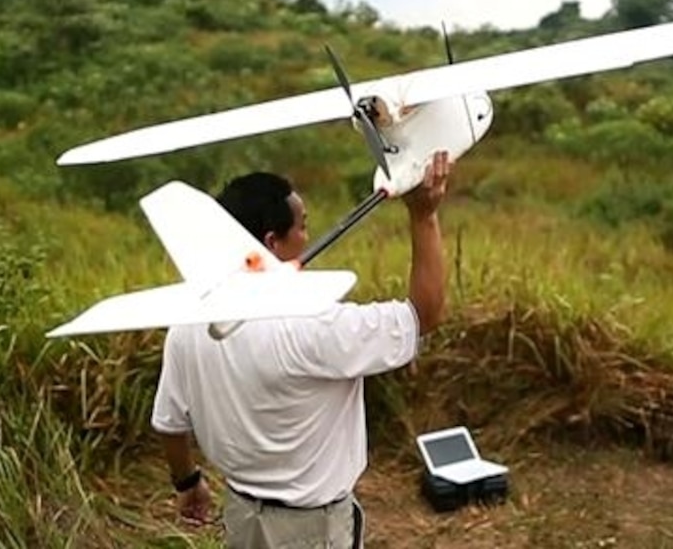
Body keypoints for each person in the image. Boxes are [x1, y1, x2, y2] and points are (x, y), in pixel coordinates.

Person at [149, 150, 453, 548]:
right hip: (312, 531)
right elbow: (423, 316)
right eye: (303, 228)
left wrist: (187, 483)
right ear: (272, 242)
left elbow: (170, 423)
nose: (309, 239)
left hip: (242, 518)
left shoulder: (190, 321)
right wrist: (424, 216)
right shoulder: (315, 325)